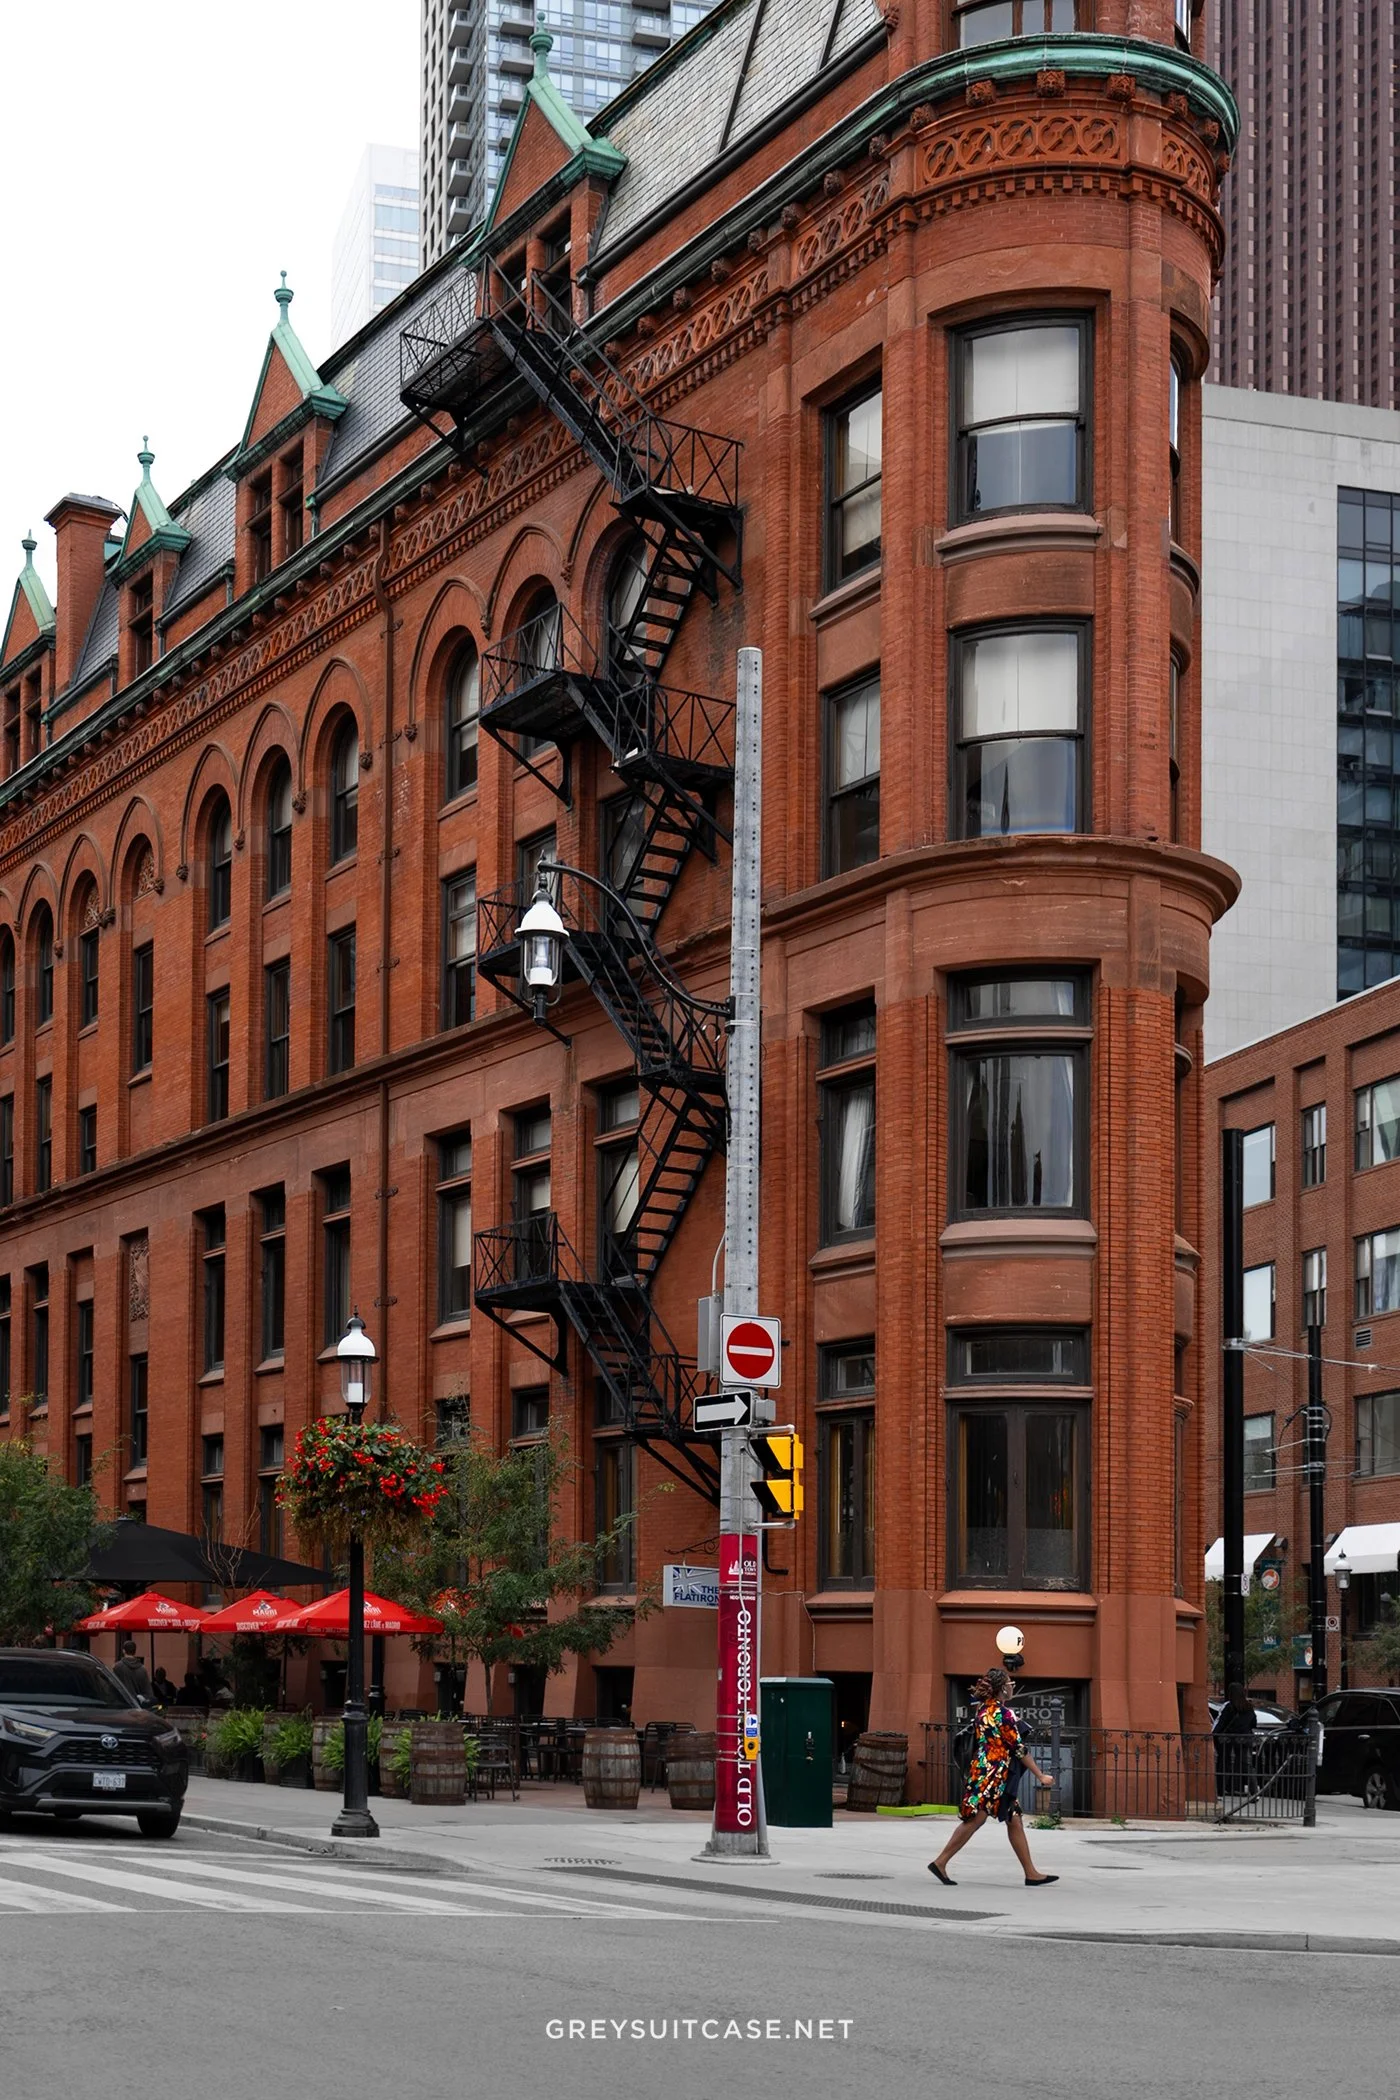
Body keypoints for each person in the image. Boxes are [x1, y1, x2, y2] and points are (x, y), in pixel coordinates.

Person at [929, 1668, 1059, 1887]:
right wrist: (1040, 1775)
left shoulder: (983, 1710)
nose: (1012, 1686)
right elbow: (1019, 1749)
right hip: (994, 1776)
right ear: (1002, 1689)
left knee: (1013, 1818)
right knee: (976, 1819)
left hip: (985, 1771)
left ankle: (1031, 1873)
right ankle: (940, 1862)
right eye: (1009, 1683)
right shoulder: (1004, 1714)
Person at [1212, 1682, 1258, 1796]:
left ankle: (1221, 1790)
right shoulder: (1249, 1706)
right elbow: (1254, 1723)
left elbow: (1221, 1723)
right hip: (1244, 1739)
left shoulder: (1229, 1706)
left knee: (1225, 1764)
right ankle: (1254, 1791)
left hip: (1228, 1740)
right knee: (1246, 1765)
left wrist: (1214, 1735)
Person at [111, 1638, 154, 1706]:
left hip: (121, 1705)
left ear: (124, 1651)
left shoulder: (117, 1667)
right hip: (138, 1706)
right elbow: (148, 1692)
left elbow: (112, 1687)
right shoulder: (142, 1669)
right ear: (135, 1651)